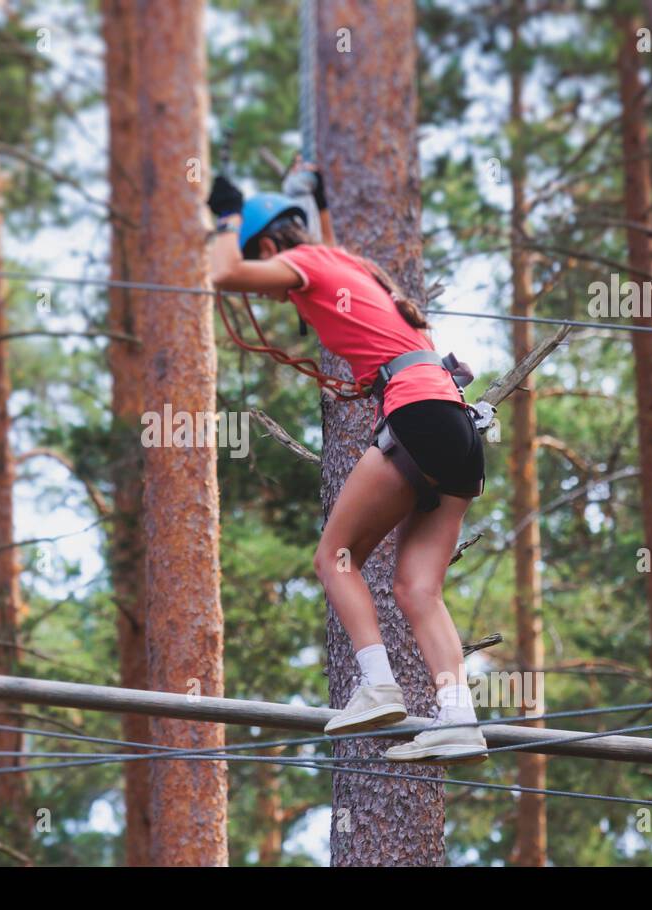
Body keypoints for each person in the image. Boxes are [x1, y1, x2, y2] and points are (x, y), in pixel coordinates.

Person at [206, 169, 488, 764]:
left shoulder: (304, 265)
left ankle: (377, 685)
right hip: (458, 425)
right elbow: (326, 257)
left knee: (334, 558)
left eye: (272, 276)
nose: (277, 295)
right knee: (417, 587)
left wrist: (226, 215)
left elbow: (225, 272)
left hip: (417, 413)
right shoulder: (355, 272)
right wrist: (317, 201)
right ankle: (459, 716)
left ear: (267, 247)